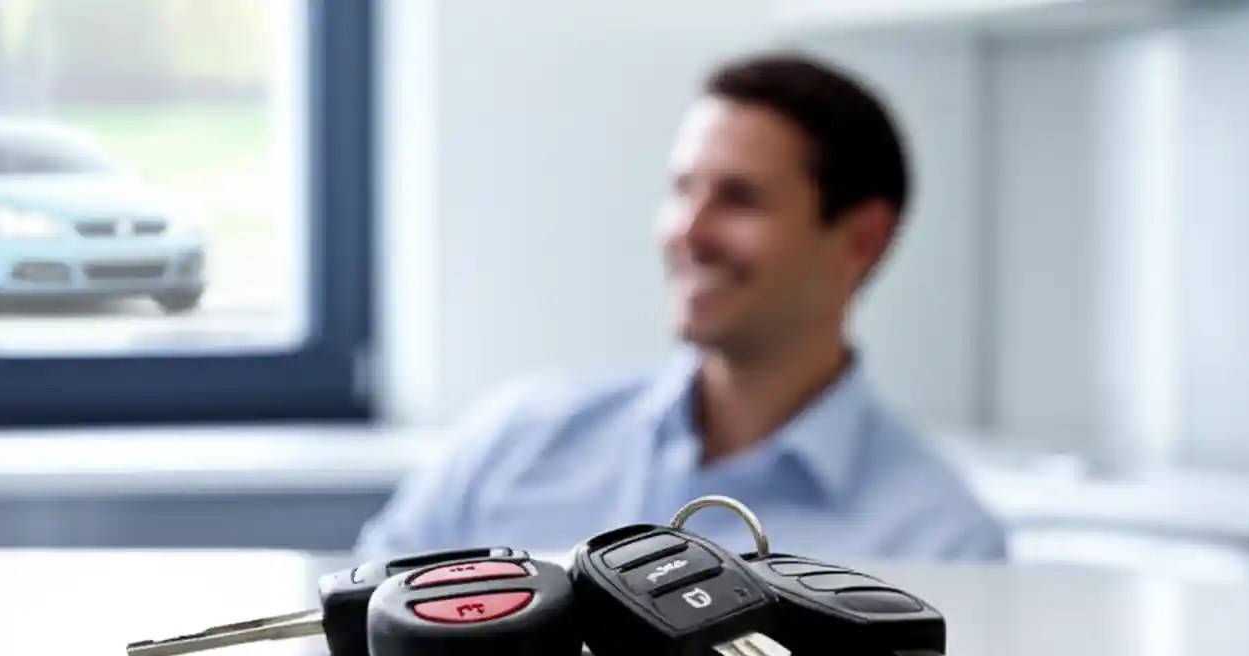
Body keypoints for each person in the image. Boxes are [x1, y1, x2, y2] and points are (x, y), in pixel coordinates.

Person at [354, 52, 1007, 563]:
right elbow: (355, 653)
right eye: (681, 190)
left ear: (861, 239)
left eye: (740, 198)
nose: (687, 233)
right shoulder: (512, 446)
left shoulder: (937, 540)